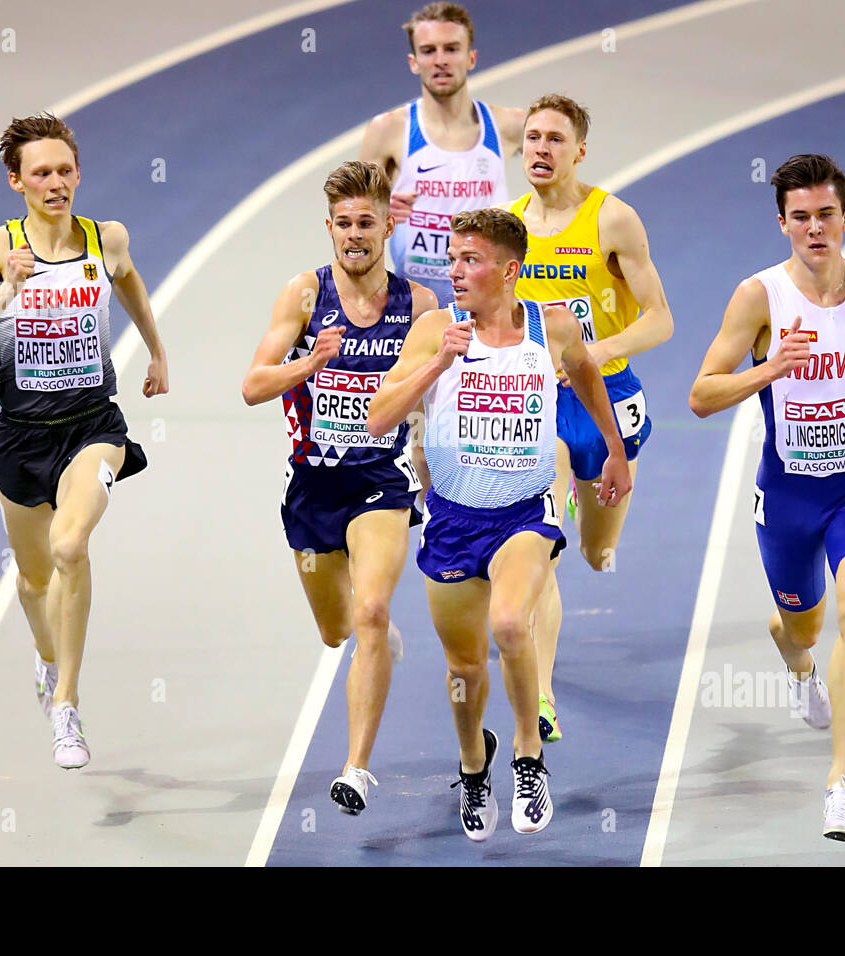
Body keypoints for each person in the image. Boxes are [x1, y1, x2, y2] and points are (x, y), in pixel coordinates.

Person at [689, 154, 845, 842]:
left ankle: (841, 787)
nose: (815, 228)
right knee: (802, 625)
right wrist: (770, 368)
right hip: (788, 499)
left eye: (826, 214)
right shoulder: (759, 296)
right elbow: (701, 394)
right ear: (783, 224)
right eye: (801, 217)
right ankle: (795, 655)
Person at [367, 208, 631, 840]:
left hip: (525, 515)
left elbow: (590, 377)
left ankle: (526, 754)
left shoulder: (554, 326)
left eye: (470, 260)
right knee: (464, 671)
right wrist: (436, 366)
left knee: (512, 622)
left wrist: (614, 449)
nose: (454, 270)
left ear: (510, 271)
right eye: (452, 259)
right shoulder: (435, 330)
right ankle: (473, 763)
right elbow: (378, 418)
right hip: (454, 520)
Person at [0, 112, 169, 769]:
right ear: (17, 182)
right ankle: (47, 662)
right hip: (20, 435)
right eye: (41, 173)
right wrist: (2, 291)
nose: (56, 182)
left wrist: (155, 350)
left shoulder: (106, 237)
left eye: (66, 170)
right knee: (35, 581)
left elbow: (128, 281)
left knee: (71, 543)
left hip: (92, 426)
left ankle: (65, 706)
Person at [243, 161, 437, 814]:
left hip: (382, 483)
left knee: (373, 612)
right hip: (312, 491)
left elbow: (429, 395)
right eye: (345, 224)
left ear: (388, 225)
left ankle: (356, 768)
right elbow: (252, 386)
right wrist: (312, 360)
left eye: (368, 223)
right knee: (335, 632)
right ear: (330, 228)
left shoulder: (419, 305)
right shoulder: (304, 295)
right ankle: (364, 621)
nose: (356, 235)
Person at [508, 94, 673, 743]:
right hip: (539, 404)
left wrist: (593, 352)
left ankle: (587, 522)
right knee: (543, 546)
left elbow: (661, 318)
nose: (541, 149)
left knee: (596, 551)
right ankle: (543, 696)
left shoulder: (614, 220)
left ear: (580, 150)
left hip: (606, 399)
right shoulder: (510, 225)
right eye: (532, 138)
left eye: (555, 139)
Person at [359, 2, 525, 308]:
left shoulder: (509, 126)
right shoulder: (388, 129)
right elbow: (354, 220)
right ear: (413, 61)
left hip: (489, 306)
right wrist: (377, 210)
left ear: (471, 57)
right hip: (417, 309)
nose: (440, 61)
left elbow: (564, 156)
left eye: (451, 49)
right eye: (428, 50)